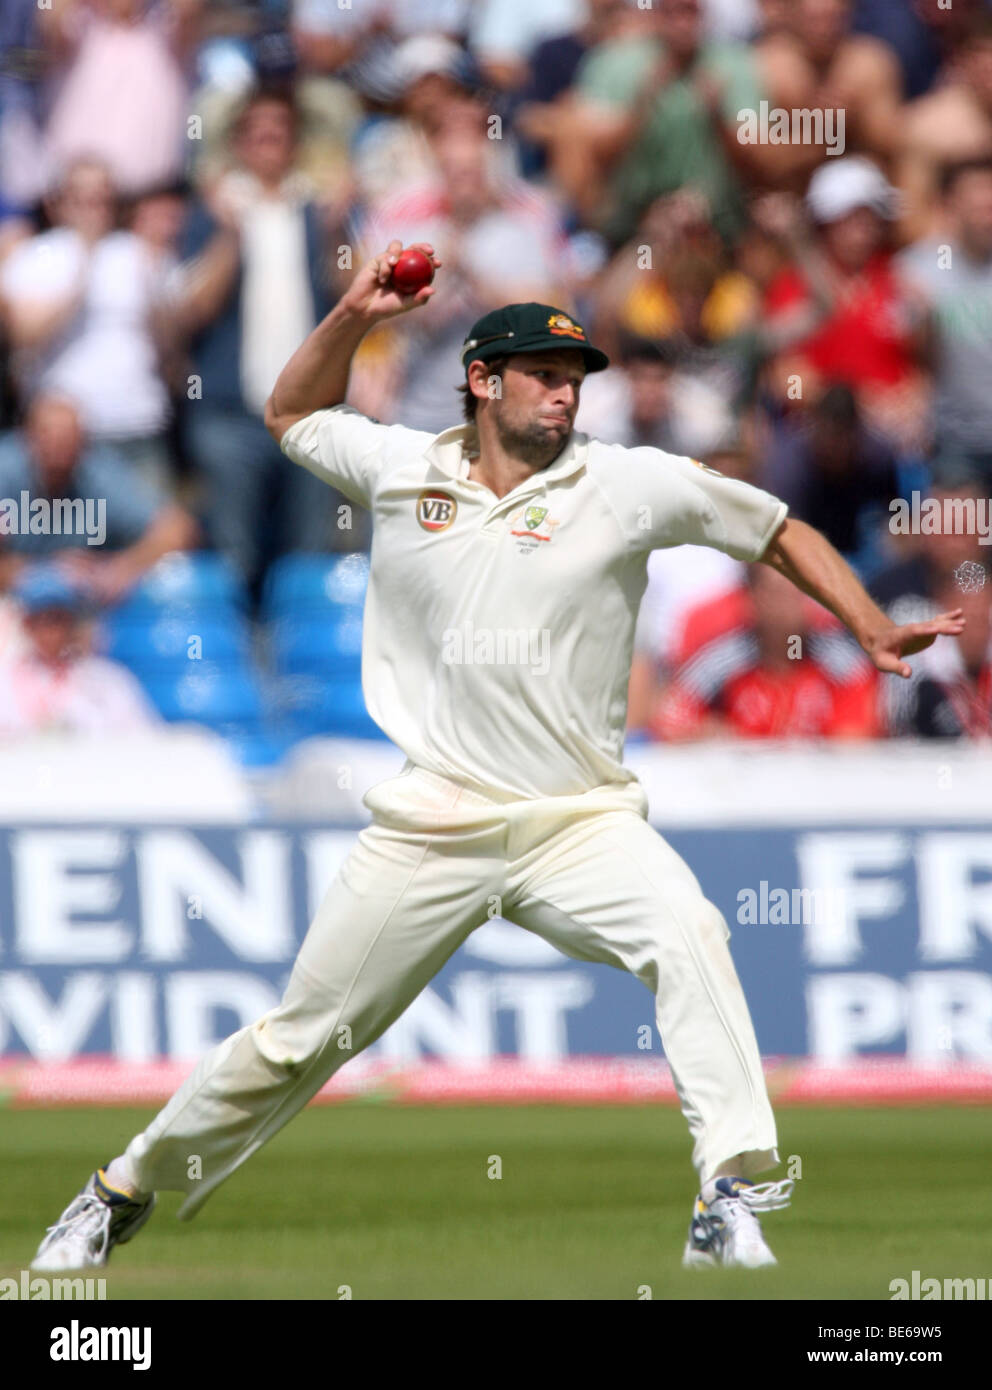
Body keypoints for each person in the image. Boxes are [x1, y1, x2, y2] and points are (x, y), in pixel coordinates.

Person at [32, 241, 965, 1275]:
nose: (564, 400)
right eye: (543, 379)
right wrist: (352, 314)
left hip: (579, 820)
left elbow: (776, 528)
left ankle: (727, 1194)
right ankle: (118, 1190)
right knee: (296, 1041)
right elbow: (292, 417)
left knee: (688, 930)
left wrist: (871, 625)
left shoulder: (627, 483)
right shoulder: (401, 469)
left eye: (573, 382)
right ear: (482, 381)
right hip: (432, 821)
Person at [0, 393, 197, 601]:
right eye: (48, 435)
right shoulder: (5, 470)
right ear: (26, 438)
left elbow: (178, 528)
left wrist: (120, 568)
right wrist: (42, 573)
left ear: (84, 443)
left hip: (79, 612)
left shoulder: (98, 474)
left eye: (68, 438)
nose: (58, 448)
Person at [0, 562, 158, 733]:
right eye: (38, 620)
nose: (49, 630)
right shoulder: (5, 680)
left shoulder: (108, 681)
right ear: (26, 625)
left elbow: (142, 739)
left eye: (57, 619)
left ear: (72, 623)